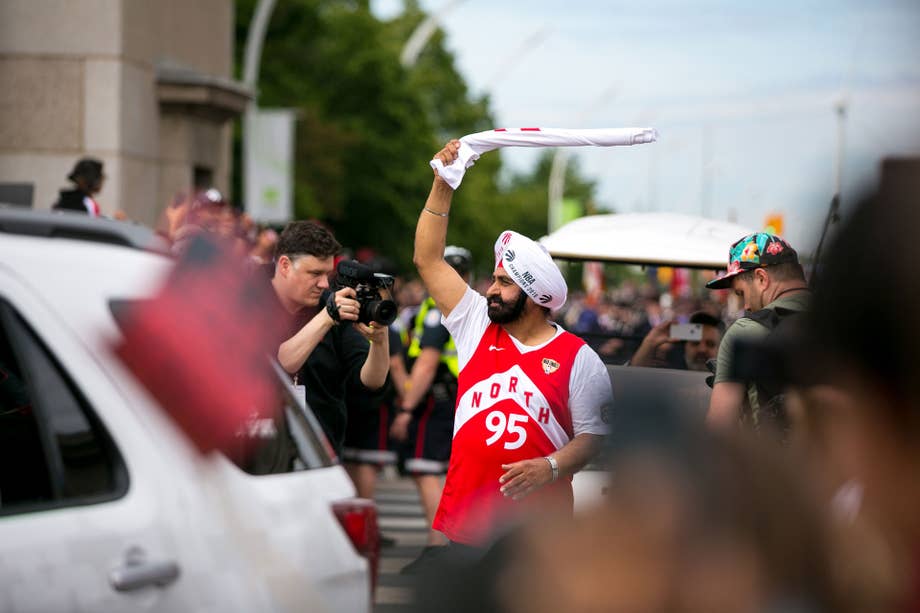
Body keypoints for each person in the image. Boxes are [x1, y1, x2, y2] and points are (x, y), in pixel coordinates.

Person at [414, 140, 612, 550]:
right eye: (494, 279)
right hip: (467, 527)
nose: (491, 290)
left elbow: (594, 436)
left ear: (535, 297)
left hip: (539, 538)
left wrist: (551, 467)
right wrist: (444, 185)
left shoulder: (580, 359)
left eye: (504, 283)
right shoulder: (475, 324)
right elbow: (428, 260)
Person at [269, 221, 390, 456]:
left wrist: (380, 340)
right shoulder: (250, 300)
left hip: (321, 454)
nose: (324, 284)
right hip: (264, 453)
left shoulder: (329, 305)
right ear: (284, 265)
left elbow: (371, 380)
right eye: (314, 273)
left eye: (327, 274)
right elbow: (281, 362)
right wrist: (327, 317)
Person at [392, 246, 472, 566]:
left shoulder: (440, 310)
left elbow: (426, 364)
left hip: (438, 400)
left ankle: (438, 547)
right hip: (457, 398)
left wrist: (407, 409)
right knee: (445, 473)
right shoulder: (461, 308)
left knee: (425, 470)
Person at [704, 232, 809, 434]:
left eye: (741, 293)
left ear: (761, 278)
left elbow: (718, 429)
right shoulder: (842, 322)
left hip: (775, 463)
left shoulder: (746, 331)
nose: (746, 306)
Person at [630, 311, 724, 371]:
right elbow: (631, 379)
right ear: (685, 346)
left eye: (710, 344)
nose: (702, 349)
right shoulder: (668, 376)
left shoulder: (730, 382)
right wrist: (650, 342)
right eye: (695, 343)